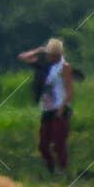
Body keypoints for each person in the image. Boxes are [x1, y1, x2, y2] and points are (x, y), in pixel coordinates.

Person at [17, 38, 72, 174]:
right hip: (47, 110)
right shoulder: (45, 66)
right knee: (43, 145)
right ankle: (51, 170)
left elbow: (70, 91)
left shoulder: (65, 67)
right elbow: (22, 57)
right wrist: (40, 50)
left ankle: (63, 171)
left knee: (59, 144)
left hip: (60, 110)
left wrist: (61, 109)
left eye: (50, 54)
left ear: (57, 55)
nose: (47, 56)